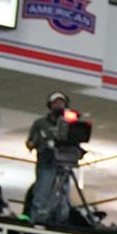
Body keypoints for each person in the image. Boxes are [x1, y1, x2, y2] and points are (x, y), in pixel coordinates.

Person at [23, 92, 73, 226]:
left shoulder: (68, 124)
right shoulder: (40, 124)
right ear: (50, 105)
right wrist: (34, 144)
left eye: (62, 103)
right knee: (42, 194)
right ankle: (35, 223)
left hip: (63, 164)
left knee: (63, 197)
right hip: (46, 162)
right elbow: (30, 141)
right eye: (56, 103)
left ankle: (60, 224)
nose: (59, 105)